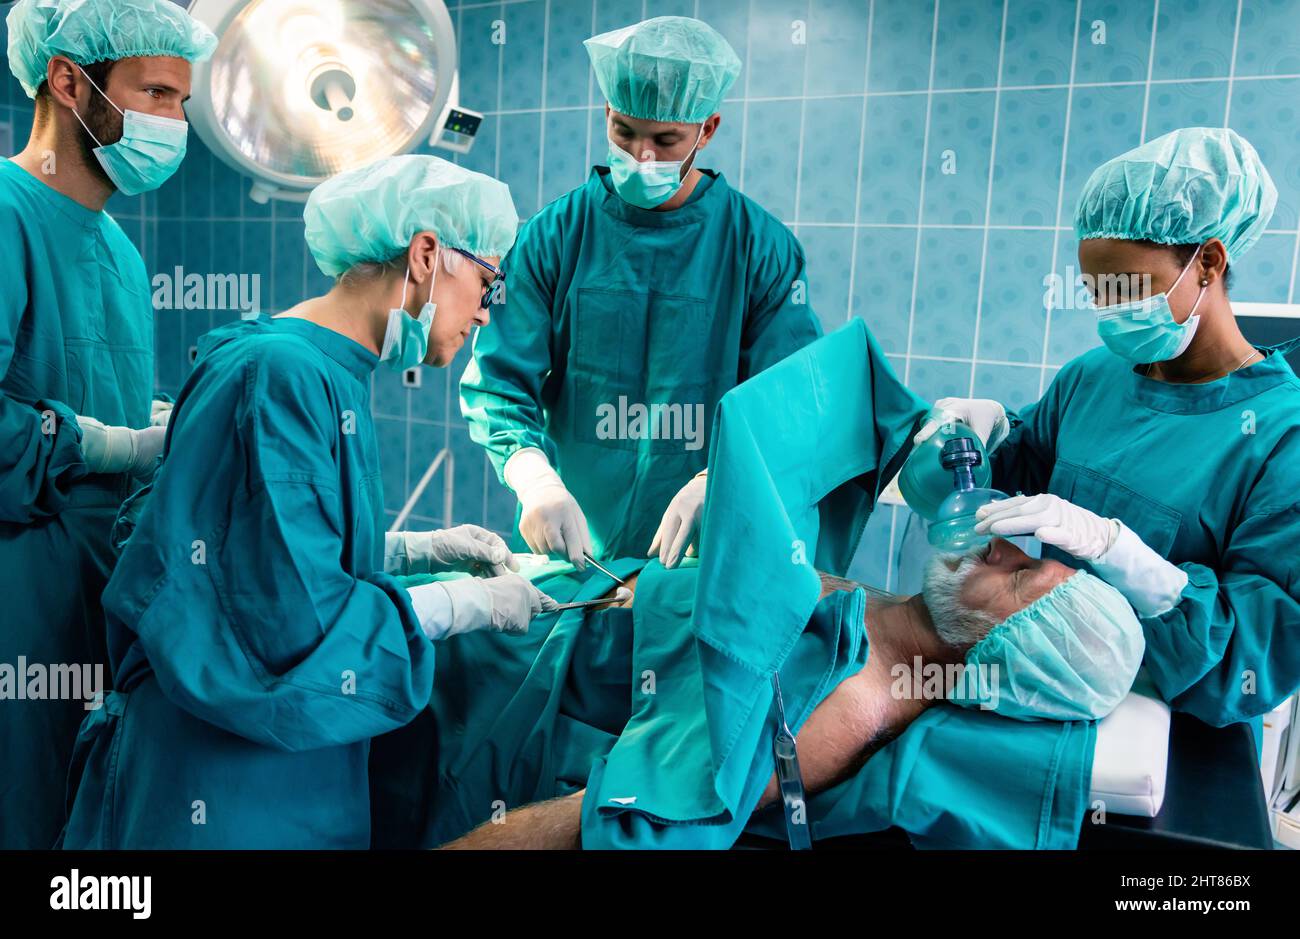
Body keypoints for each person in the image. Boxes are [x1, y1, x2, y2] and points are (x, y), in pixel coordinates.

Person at [61, 155, 556, 849]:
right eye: (486, 278)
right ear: (426, 255)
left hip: (281, 776)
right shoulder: (281, 374)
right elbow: (285, 617)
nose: (485, 307)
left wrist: (409, 548)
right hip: (225, 787)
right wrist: (457, 605)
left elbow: (253, 544)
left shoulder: (324, 369)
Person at [931, 127, 1300, 728]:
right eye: (1096, 292)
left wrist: (1126, 557)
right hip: (1056, 690)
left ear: (1208, 260)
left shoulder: (1283, 437)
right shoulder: (1096, 376)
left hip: (1175, 730)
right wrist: (983, 439)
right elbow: (1021, 475)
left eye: (1128, 290)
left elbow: (1258, 659)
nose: (1109, 311)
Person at [431, 539, 1144, 850]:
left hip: (497, 685)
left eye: (1020, 578)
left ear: (999, 648)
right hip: (549, 604)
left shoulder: (848, 700)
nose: (1002, 548)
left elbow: (632, 820)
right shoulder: (884, 614)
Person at [460, 15, 823, 571]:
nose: (642, 156)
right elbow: (499, 384)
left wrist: (717, 482)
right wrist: (532, 478)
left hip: (704, 548)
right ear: (607, 114)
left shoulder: (759, 247)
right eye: (624, 132)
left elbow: (786, 397)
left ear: (707, 130)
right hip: (578, 545)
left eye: (665, 139)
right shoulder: (554, 237)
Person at [0, 0, 216, 849]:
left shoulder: (122, 252)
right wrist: (103, 443)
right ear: (67, 79)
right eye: (156, 93)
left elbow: (110, 389)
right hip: (20, 605)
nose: (172, 123)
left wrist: (158, 426)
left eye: (182, 103)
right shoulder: (7, 214)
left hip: (101, 604)